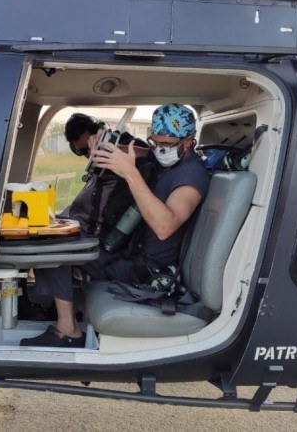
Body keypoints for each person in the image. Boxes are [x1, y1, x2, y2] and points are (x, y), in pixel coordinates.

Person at [21, 103, 209, 347]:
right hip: (130, 252)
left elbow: (165, 227)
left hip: (148, 270)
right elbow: (146, 153)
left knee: (56, 249)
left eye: (166, 144)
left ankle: (68, 331)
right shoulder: (170, 160)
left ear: (189, 140)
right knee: (54, 237)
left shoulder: (191, 176)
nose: (160, 149)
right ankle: (62, 317)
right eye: (156, 142)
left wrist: (130, 173)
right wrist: (107, 148)